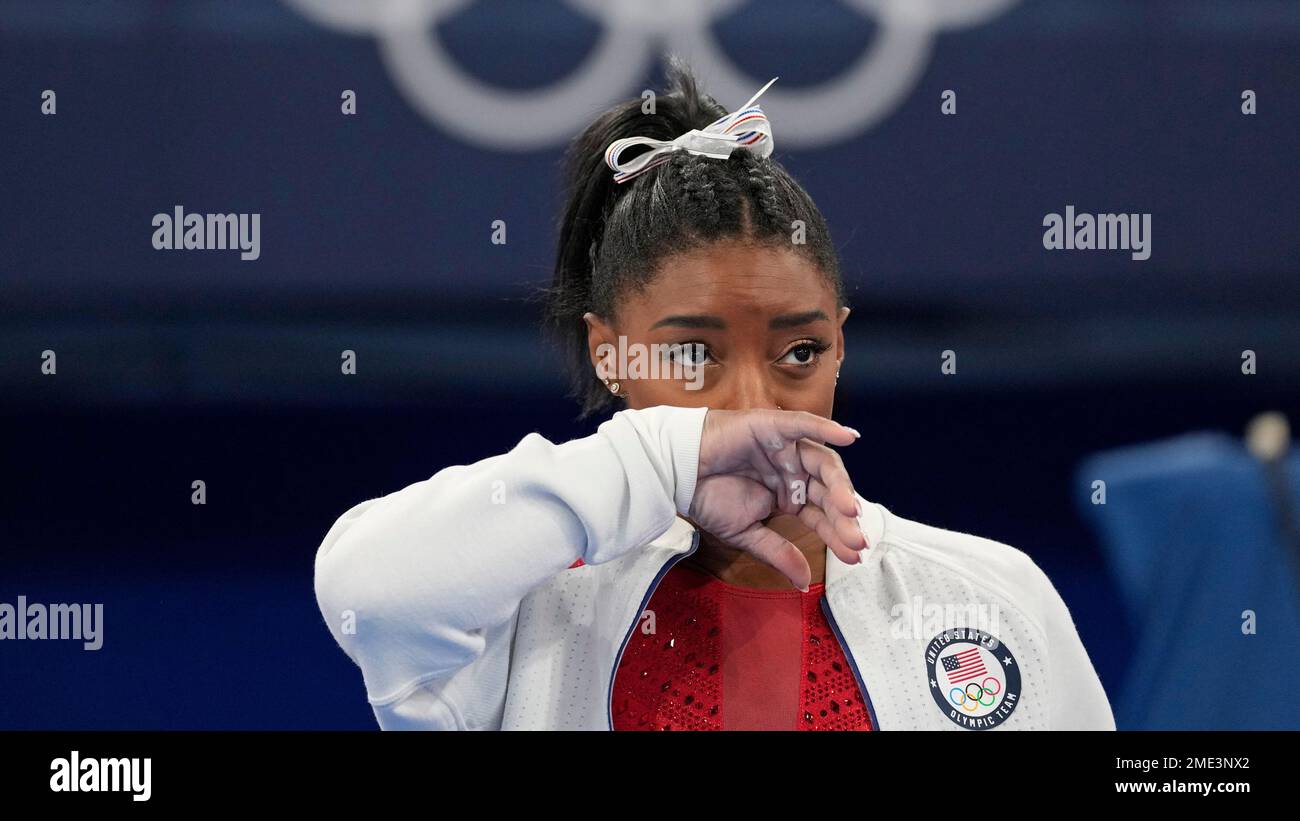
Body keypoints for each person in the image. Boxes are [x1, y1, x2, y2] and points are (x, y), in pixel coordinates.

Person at [313, 60, 1115, 731]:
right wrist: (657, 458)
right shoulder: (528, 606)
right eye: (694, 355)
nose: (754, 403)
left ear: (841, 341)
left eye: (801, 350)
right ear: (608, 352)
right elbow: (363, 592)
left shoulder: (992, 595)